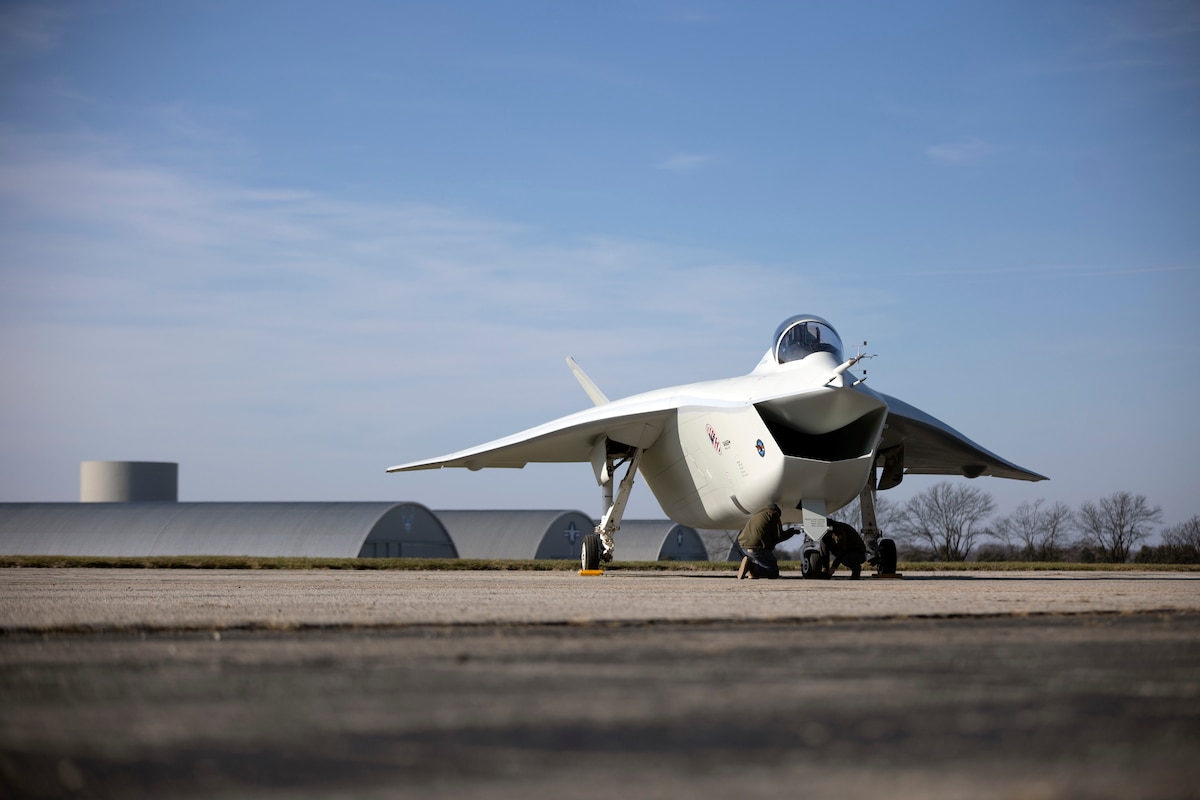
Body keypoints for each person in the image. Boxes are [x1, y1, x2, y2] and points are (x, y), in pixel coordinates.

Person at [737, 504, 795, 579]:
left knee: (762, 560)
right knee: (773, 571)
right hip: (757, 548)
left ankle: (753, 573)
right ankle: (752, 568)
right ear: (778, 512)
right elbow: (778, 536)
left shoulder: (757, 514)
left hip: (744, 546)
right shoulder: (774, 514)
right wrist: (791, 532)